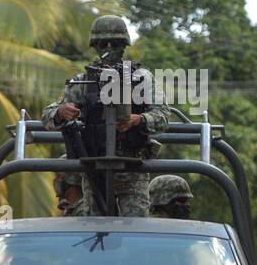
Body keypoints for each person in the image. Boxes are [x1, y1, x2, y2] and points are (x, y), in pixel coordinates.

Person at [42, 15, 173, 216]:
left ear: (125, 45)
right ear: (95, 46)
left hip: (132, 168)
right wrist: (62, 112)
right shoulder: (83, 82)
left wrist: (139, 120)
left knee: (135, 230)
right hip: (94, 167)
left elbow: (163, 115)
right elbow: (48, 115)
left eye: (116, 43)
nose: (110, 48)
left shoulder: (141, 79)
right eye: (104, 43)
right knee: (96, 231)